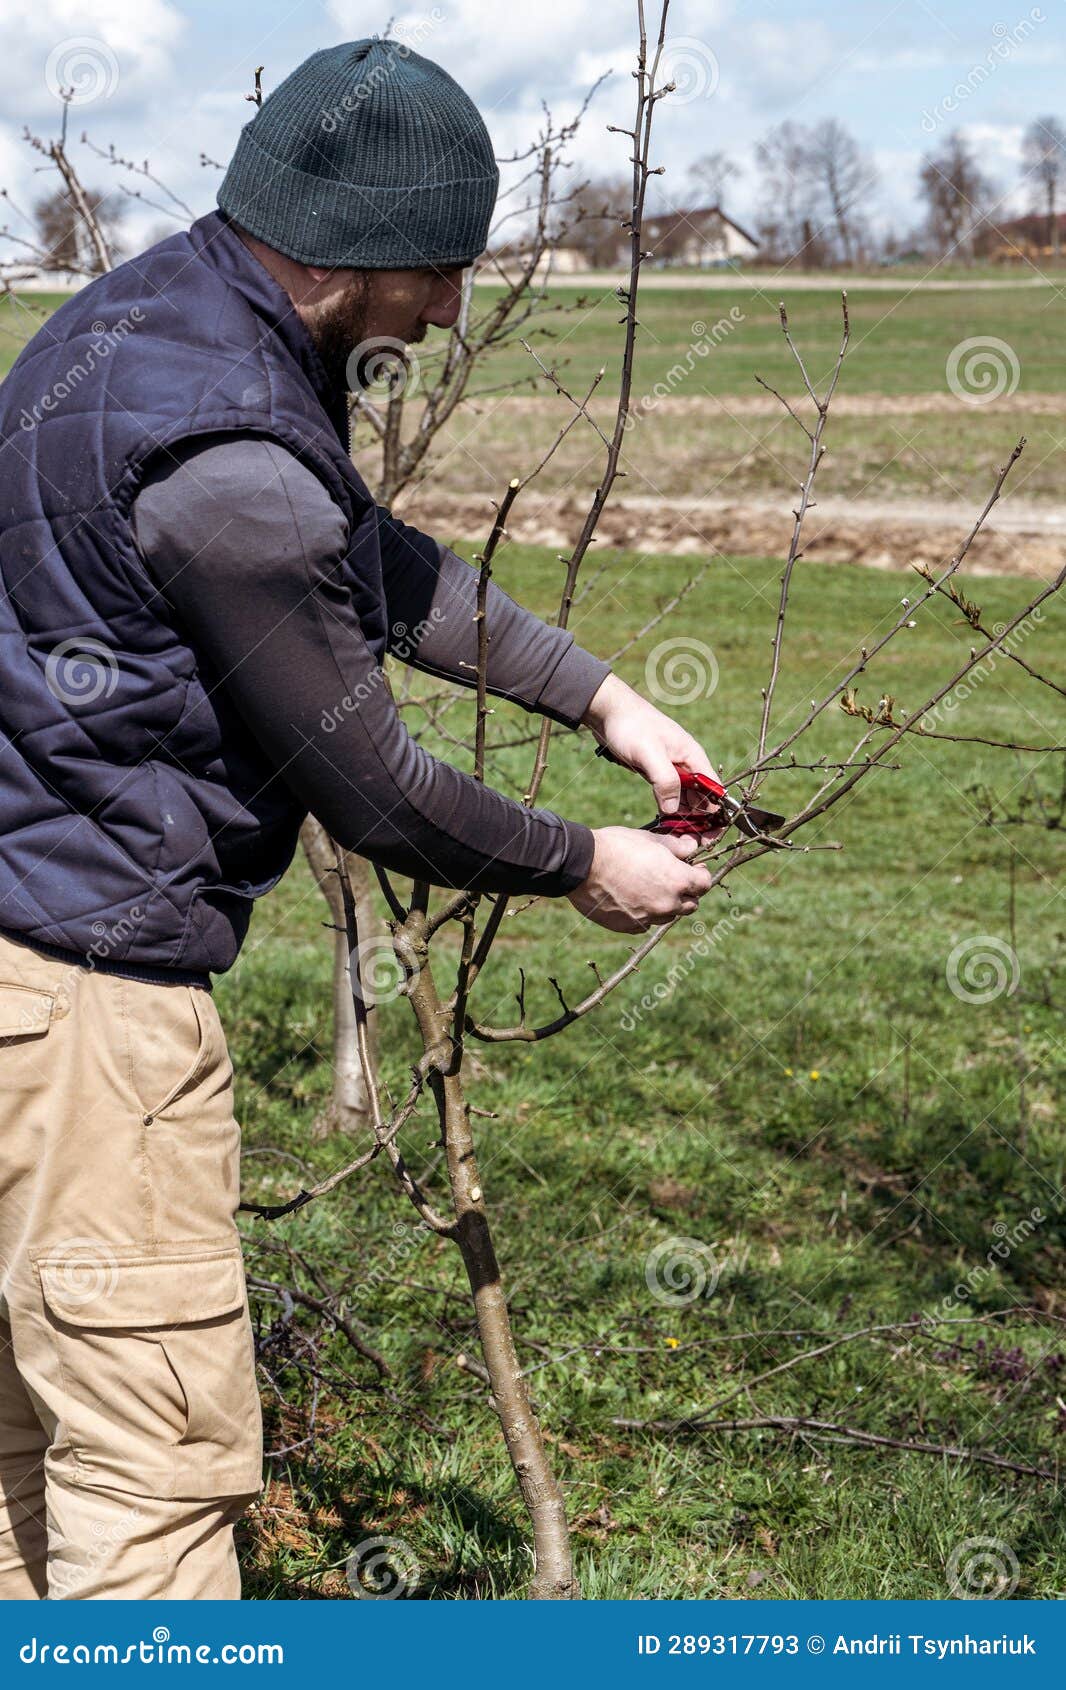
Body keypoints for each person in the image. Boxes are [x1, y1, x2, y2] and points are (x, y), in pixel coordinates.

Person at [0, 38, 718, 1598]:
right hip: (90, 1024)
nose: (451, 308)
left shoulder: (139, 324)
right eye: (439, 270)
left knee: (28, 1460)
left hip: (16, 962)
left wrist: (603, 699)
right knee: (147, 1475)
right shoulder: (234, 464)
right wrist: (582, 862)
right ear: (344, 262)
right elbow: (372, 783)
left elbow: (370, 559)